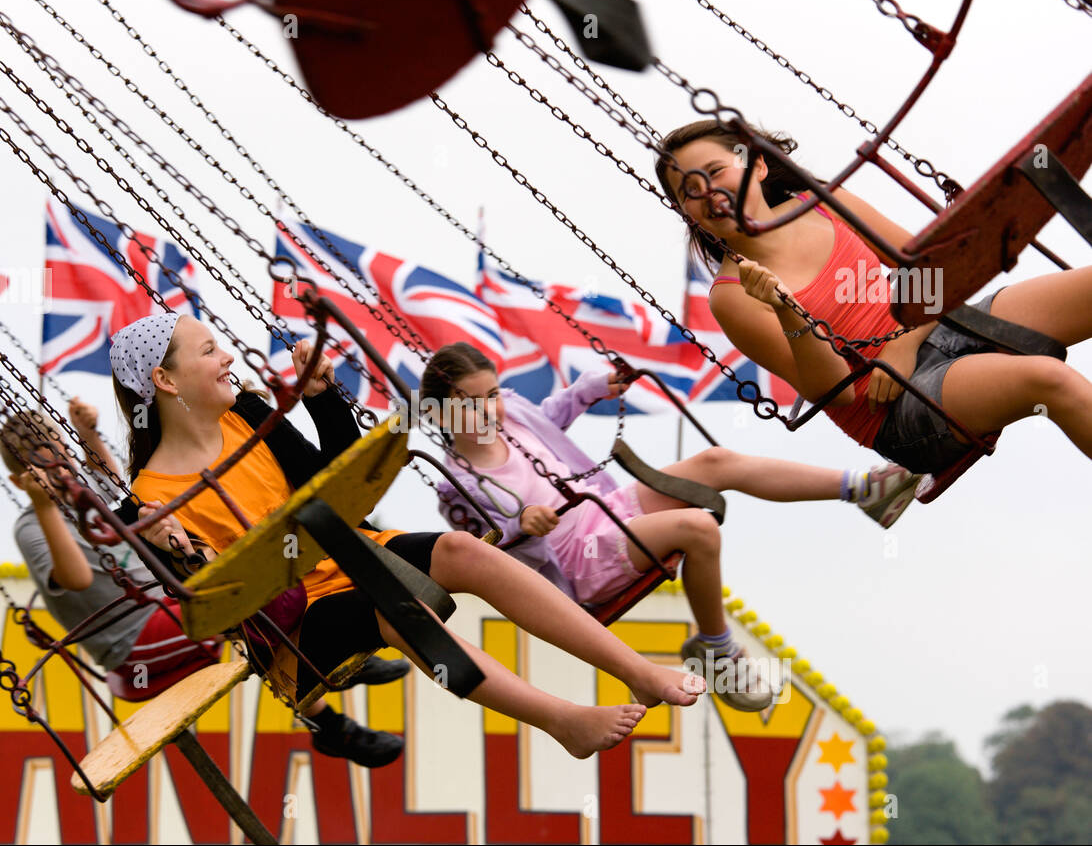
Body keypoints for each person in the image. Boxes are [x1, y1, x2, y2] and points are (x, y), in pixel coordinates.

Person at [109, 312, 715, 760]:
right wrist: (188, 554)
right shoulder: (148, 500)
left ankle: (634, 669)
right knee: (399, 612)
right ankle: (562, 721)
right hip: (295, 631)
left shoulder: (245, 414)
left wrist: (322, 401)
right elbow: (217, 613)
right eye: (210, 350)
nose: (228, 359)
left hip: (351, 553)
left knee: (461, 549)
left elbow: (337, 491)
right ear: (165, 380)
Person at [422, 342, 915, 711]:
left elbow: (550, 416)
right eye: (470, 402)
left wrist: (590, 390)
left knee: (716, 461)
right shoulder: (455, 483)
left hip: (606, 508)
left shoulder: (511, 413)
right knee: (698, 529)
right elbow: (487, 550)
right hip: (579, 563)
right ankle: (718, 651)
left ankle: (867, 490)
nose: (489, 409)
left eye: (491, 394)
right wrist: (521, 526)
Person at [656, 119, 1092, 477]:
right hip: (894, 409)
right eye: (687, 192)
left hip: (928, 329)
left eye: (715, 172)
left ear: (759, 166)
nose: (706, 192)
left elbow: (934, 268)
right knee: (1047, 380)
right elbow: (832, 391)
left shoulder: (821, 203)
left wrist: (903, 343)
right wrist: (786, 309)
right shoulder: (733, 296)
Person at [0, 398, 411, 769]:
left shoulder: (86, 492)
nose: (59, 465)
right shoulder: (32, 526)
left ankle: (328, 700)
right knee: (240, 602)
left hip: (166, 611)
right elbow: (77, 577)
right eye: (43, 461)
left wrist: (89, 435)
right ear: (22, 478)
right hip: (132, 641)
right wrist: (42, 504)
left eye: (61, 451)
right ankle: (327, 686)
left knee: (244, 592)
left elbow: (117, 492)